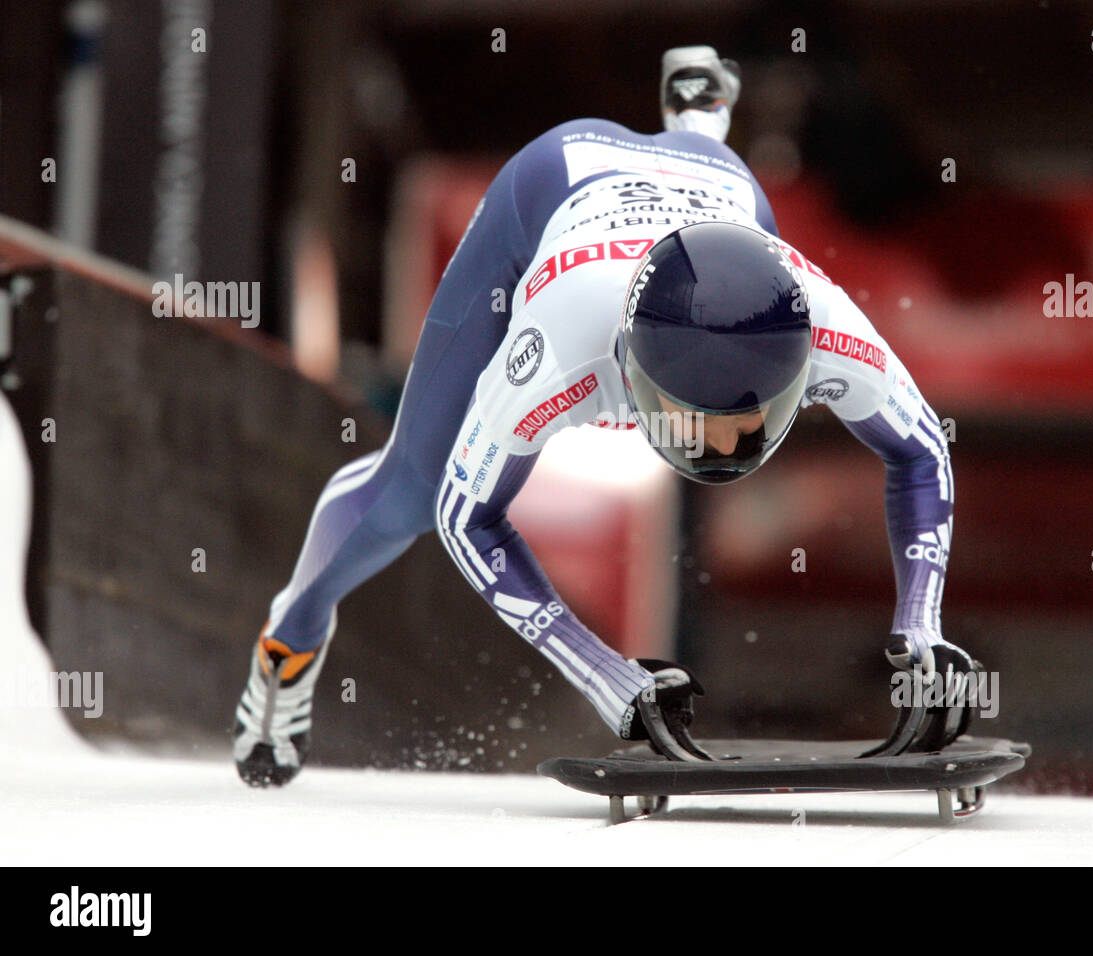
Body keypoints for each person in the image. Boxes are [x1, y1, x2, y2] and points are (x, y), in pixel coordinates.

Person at [233, 46, 969, 785]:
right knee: (413, 489)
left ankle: (698, 124)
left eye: (744, 422)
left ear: (798, 374)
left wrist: (921, 627)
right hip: (552, 188)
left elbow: (923, 451)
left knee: (715, 197)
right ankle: (289, 640)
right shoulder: (560, 345)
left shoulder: (828, 328)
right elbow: (465, 517)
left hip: (719, 191)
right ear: (630, 372)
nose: (716, 450)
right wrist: (602, 674)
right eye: (692, 421)